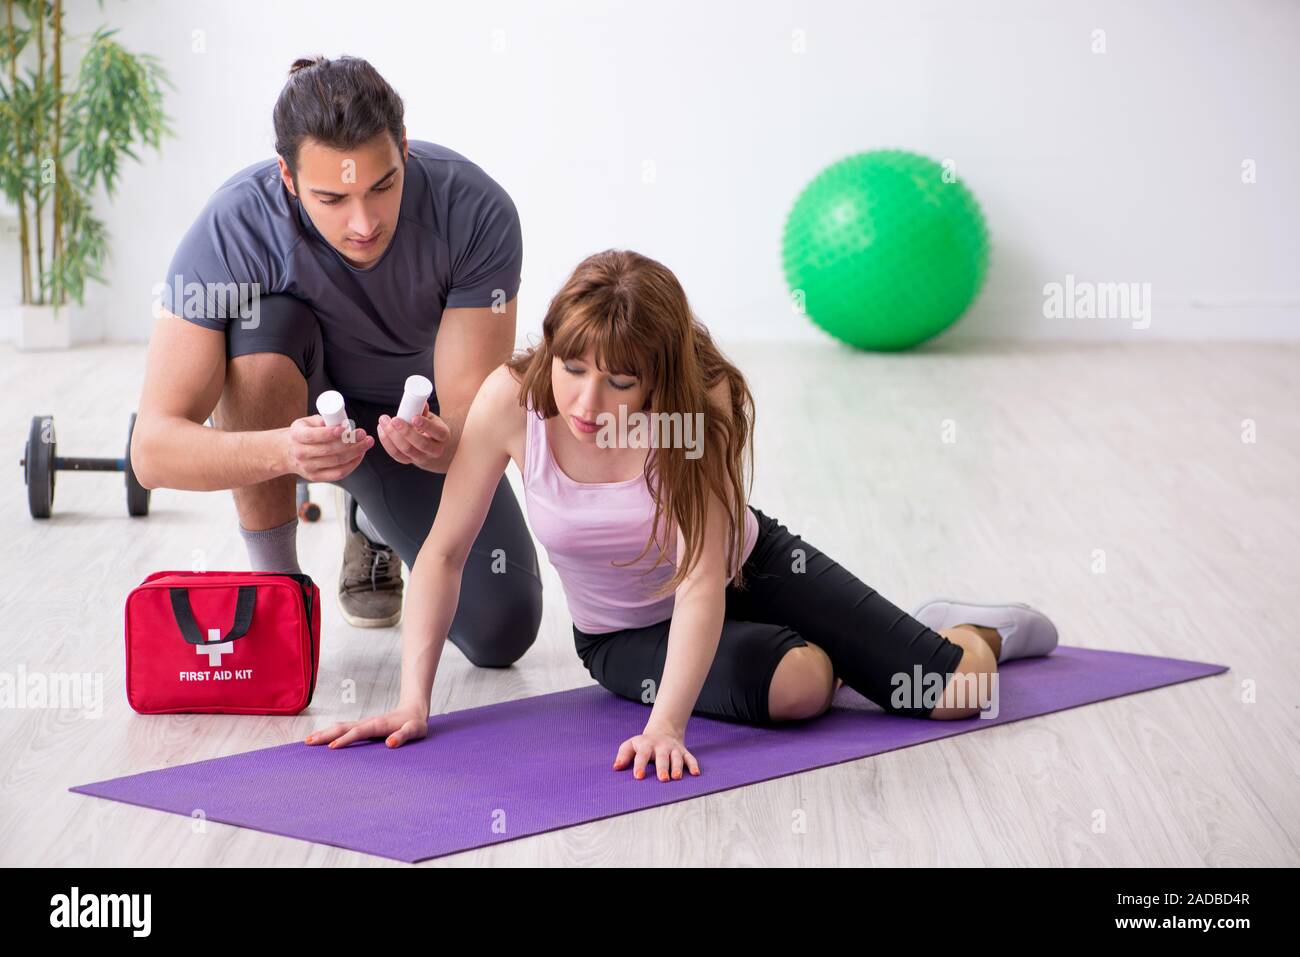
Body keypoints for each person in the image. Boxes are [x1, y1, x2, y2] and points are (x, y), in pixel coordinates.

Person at [306, 249, 1059, 780]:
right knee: (802, 682)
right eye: (573, 368)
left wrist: (667, 725)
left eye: (620, 381)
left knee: (954, 692)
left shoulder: (699, 406)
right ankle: (843, 654)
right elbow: (441, 553)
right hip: (627, 633)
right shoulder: (515, 399)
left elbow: (703, 581)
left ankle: (961, 629)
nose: (587, 404)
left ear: (659, 379)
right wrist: (414, 698)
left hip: (749, 568)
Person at [132, 55, 542, 666]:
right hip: (289, 419)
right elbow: (152, 452)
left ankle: (373, 523)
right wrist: (284, 451)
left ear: (403, 148)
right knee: (263, 318)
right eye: (332, 197)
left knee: (501, 629)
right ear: (288, 178)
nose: (364, 223)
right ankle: (277, 598)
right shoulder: (232, 226)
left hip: (403, 428)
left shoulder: (475, 211)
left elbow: (473, 424)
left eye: (383, 185)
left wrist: (443, 440)